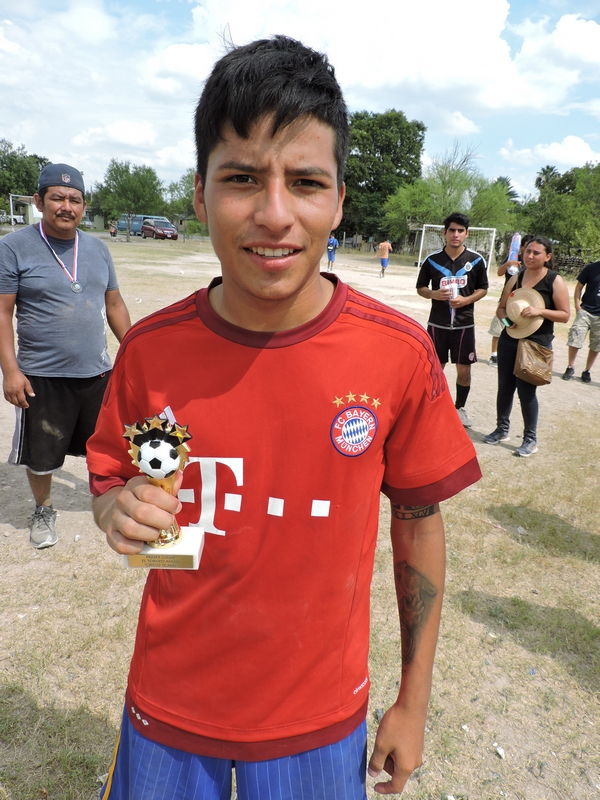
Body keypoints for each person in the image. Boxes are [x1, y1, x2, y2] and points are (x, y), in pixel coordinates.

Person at [86, 36, 481, 800]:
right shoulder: (151, 353)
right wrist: (115, 506)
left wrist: (414, 698)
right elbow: (113, 479)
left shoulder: (396, 354)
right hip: (168, 713)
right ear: (199, 194)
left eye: (304, 181)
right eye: (241, 178)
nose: (274, 214)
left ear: (338, 199)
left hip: (320, 726)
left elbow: (420, 518)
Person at [0, 163, 131, 549]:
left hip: (96, 374)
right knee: (42, 456)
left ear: (84, 206)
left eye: (75, 199)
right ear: (40, 201)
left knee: (107, 449)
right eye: (57, 197)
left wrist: (137, 347)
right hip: (41, 377)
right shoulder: (14, 246)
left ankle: (110, 505)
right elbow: (2, 313)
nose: (66, 206)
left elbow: (115, 304)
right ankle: (43, 508)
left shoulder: (97, 248)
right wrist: (10, 370)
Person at [484, 236, 570, 457]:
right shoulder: (517, 278)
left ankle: (530, 439)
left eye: (536, 253)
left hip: (536, 343)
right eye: (528, 251)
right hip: (509, 339)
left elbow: (565, 315)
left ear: (548, 257)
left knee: (526, 391)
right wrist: (506, 323)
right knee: (505, 387)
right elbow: (501, 309)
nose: (530, 256)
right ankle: (502, 430)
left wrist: (540, 311)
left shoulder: (554, 280)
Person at [416, 213, 488, 428]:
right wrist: (433, 294)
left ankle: (460, 408)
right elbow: (420, 288)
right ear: (444, 232)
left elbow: (483, 289)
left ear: (467, 233)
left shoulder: (475, 260)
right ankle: (431, 407)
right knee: (435, 368)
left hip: (464, 325)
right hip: (437, 324)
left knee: (464, 370)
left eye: (460, 230)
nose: (455, 234)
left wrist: (467, 300)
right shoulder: (432, 261)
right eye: (452, 230)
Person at [488, 235, 533, 365]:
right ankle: (494, 355)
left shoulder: (532, 263)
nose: (529, 251)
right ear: (521, 247)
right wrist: (508, 263)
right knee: (500, 326)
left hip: (523, 302)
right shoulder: (512, 258)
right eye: (527, 247)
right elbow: (499, 273)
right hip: (506, 301)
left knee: (519, 327)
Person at [562, 259, 600, 383]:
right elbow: (579, 287)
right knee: (575, 338)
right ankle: (570, 366)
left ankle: (587, 371)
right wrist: (578, 306)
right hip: (586, 311)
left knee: (596, 345)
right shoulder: (591, 268)